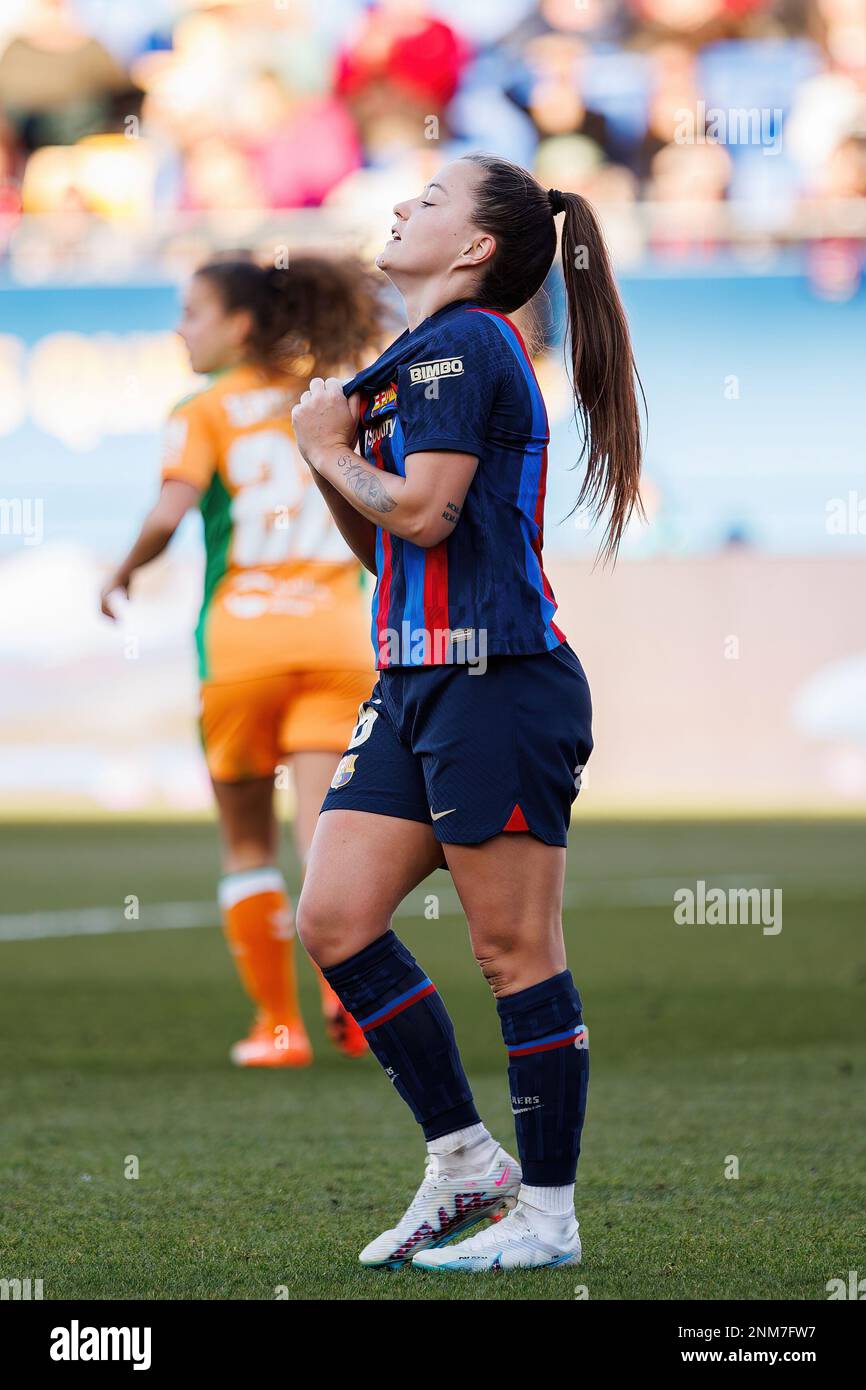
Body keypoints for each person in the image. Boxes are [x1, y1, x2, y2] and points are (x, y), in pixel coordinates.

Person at [289, 154, 643, 1271]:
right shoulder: (409, 358)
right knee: (335, 919)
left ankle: (546, 1215)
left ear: (478, 247)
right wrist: (330, 463)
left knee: (510, 948)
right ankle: (463, 1160)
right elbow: (383, 539)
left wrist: (326, 448)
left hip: (495, 672)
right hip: (412, 678)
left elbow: (431, 516)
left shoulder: (462, 342)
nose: (401, 206)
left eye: (429, 199)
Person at [101, 256, 387, 1067]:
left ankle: (278, 1028)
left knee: (246, 846)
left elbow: (169, 510)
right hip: (337, 639)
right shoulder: (328, 398)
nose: (179, 328)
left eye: (193, 312)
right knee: (328, 840)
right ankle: (355, 1002)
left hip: (242, 646)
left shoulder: (204, 407)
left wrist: (124, 569)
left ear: (240, 325)